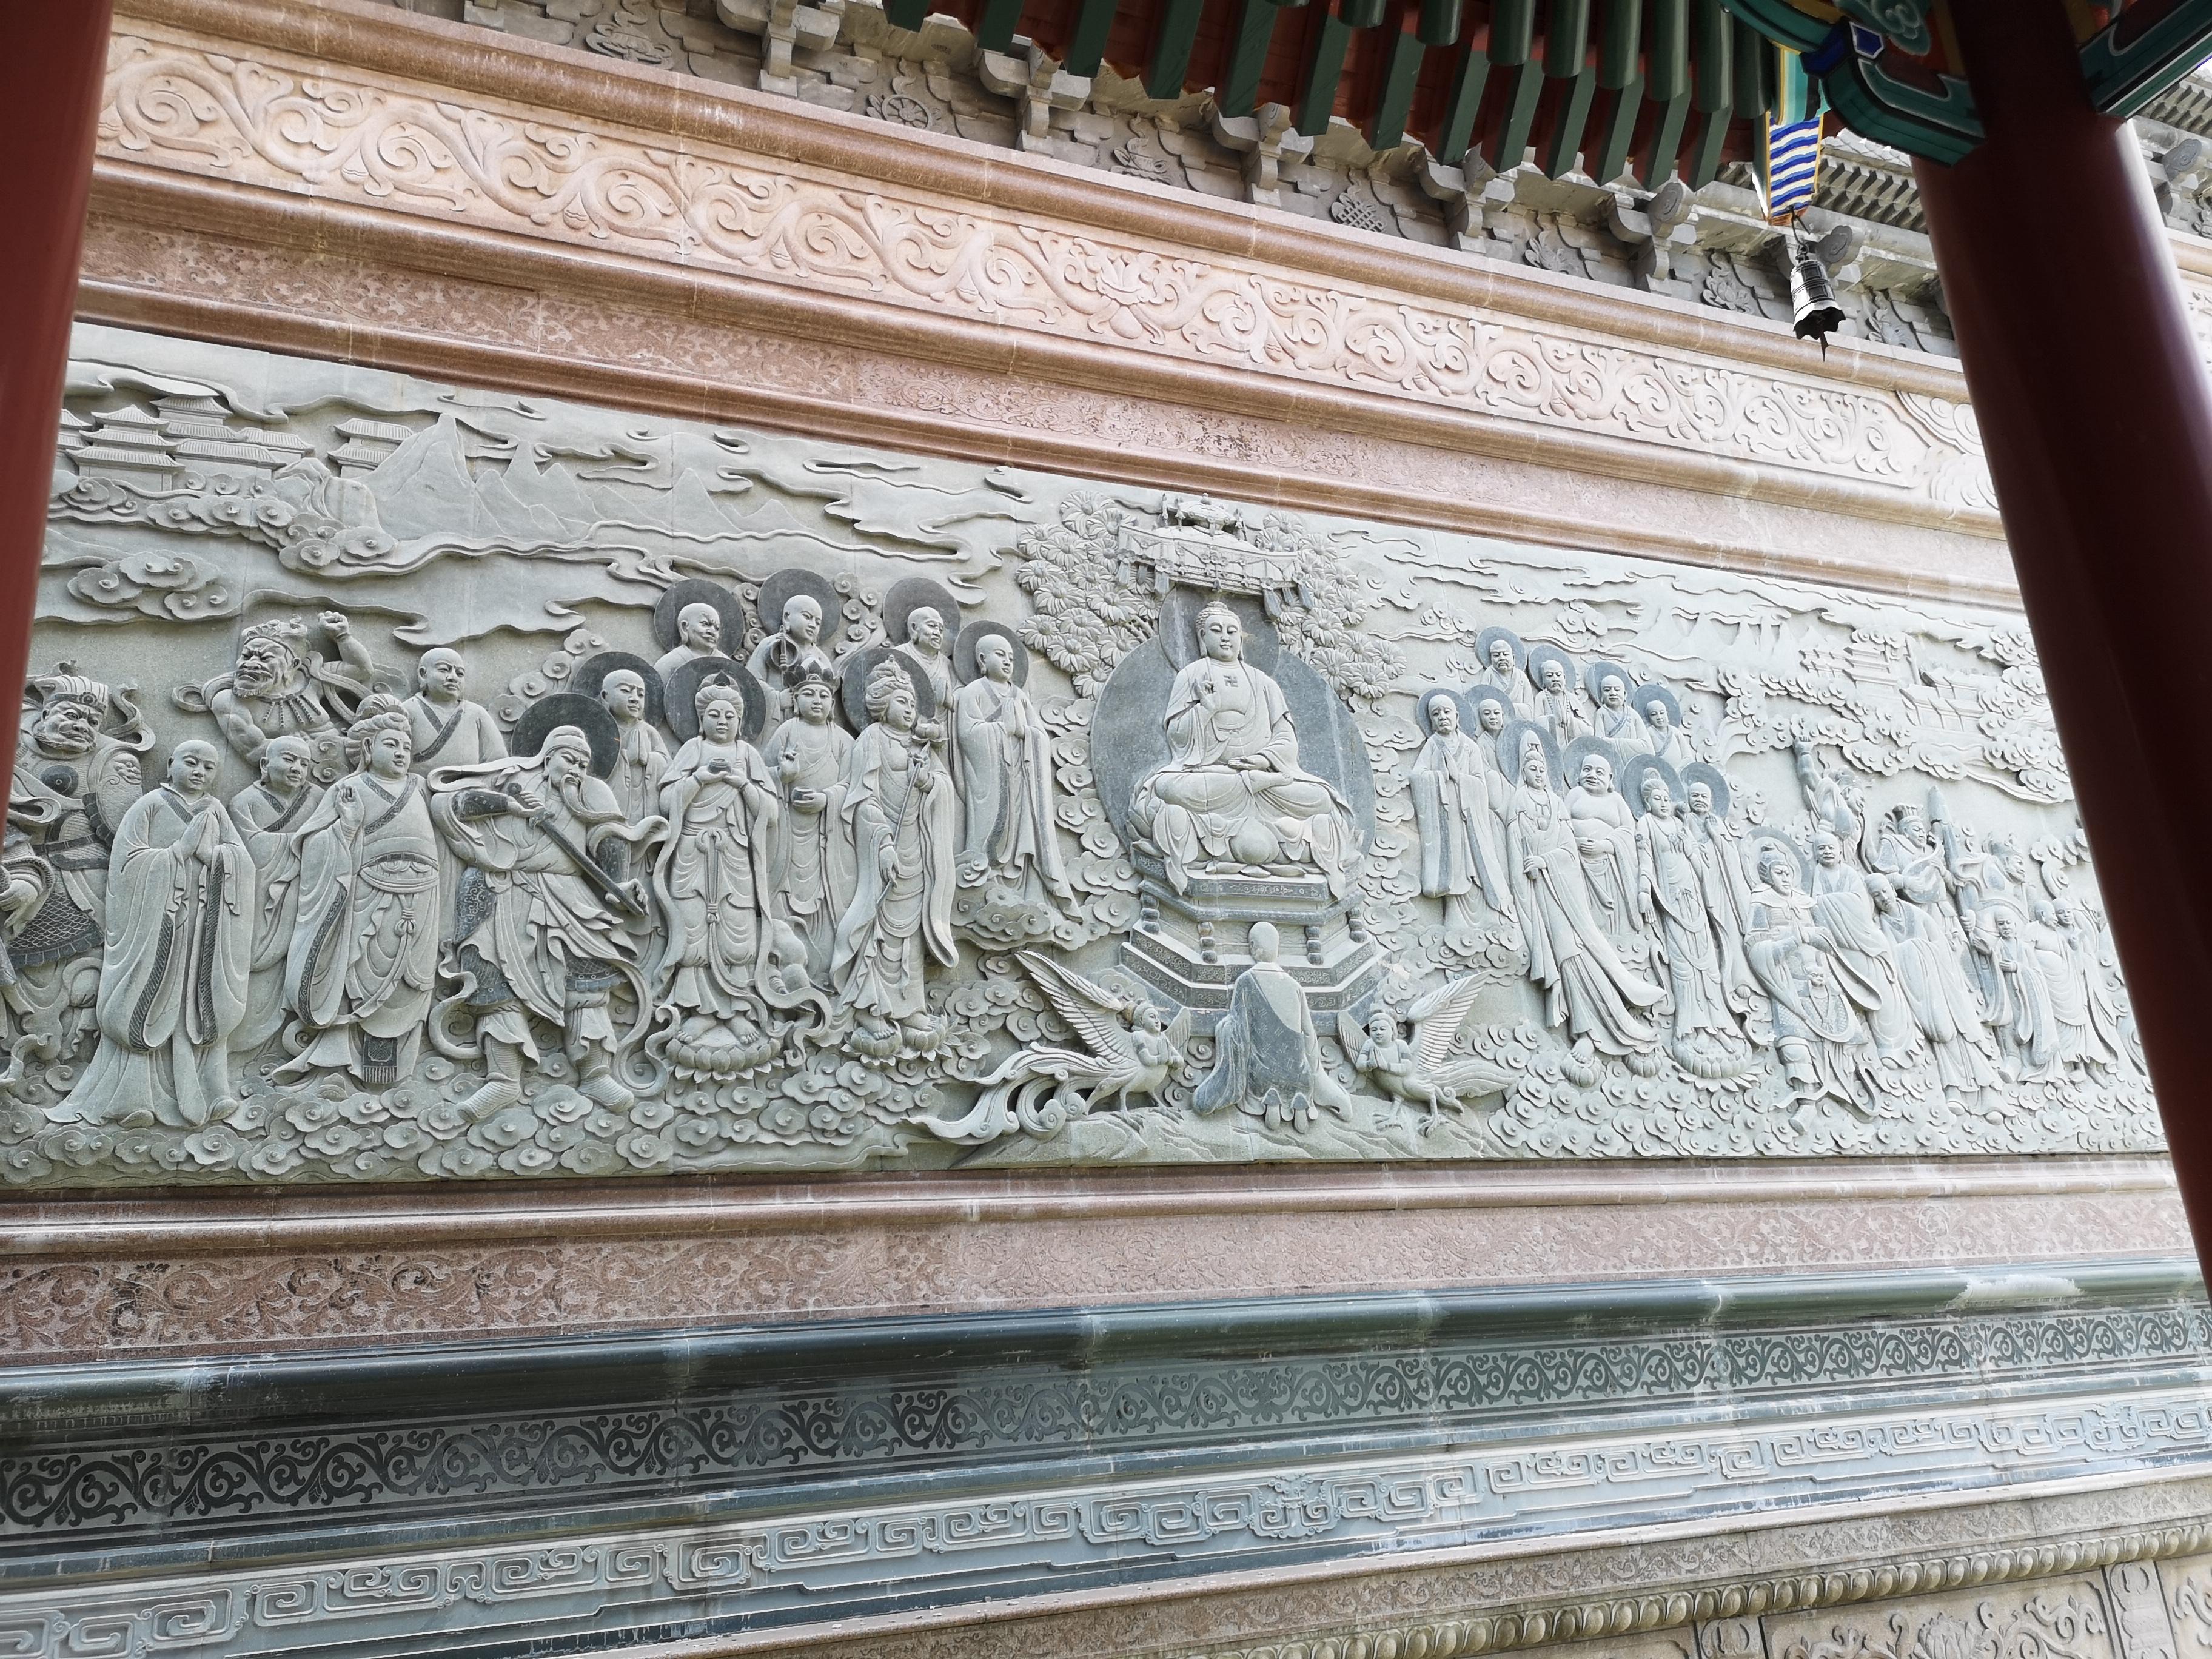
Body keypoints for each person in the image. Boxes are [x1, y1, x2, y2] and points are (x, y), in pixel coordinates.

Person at [431, 727, 658, 1119]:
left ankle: (596, 1073)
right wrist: (508, 805)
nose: (577, 770)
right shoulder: (514, 779)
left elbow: (610, 838)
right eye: (570, 759)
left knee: (587, 977)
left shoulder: (592, 793)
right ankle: (503, 1079)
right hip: (502, 886)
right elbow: (449, 803)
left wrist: (619, 885)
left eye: (584, 764)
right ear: (547, 756)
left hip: (567, 892)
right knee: (491, 980)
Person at [52, 742, 253, 1130]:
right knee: (153, 1003)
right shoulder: (150, 805)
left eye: (209, 767)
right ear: (170, 764)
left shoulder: (215, 810)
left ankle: (209, 1091)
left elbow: (241, 863)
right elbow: (126, 864)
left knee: (194, 1005)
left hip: (201, 930)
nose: (199, 772)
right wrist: (176, 852)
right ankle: (132, 1098)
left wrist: (214, 857)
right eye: (191, 763)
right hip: (157, 928)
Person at [1128, 601, 1358, 899]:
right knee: (1168, 788)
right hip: (1214, 774)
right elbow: (1178, 737)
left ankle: (1249, 798)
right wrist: (1206, 709)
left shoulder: (1264, 683)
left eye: (1232, 631)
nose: (1225, 637)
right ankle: (1258, 799)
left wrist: (1263, 759)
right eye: (1216, 631)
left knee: (1321, 798)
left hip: (1265, 780)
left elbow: (1286, 737)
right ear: (1202, 638)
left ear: (1241, 638)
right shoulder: (1192, 675)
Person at [278, 700, 442, 1086]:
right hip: (369, 892)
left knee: (410, 976)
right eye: (391, 744)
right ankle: (338, 1060)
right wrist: (347, 828)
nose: (401, 753)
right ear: (368, 748)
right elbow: (313, 844)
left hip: (423, 893)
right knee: (359, 969)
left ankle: (390, 1070)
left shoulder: (420, 788)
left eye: (406, 746)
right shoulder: (349, 788)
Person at [652, 683, 783, 1076]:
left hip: (735, 855)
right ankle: (700, 1012)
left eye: (730, 716)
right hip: (692, 853)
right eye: (714, 715)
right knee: (693, 931)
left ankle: (738, 1010)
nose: (722, 722)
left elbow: (771, 813)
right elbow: (667, 801)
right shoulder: (692, 751)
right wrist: (700, 779)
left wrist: (742, 783)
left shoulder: (747, 755)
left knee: (737, 932)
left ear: (740, 721)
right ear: (700, 719)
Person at [1504, 736, 1663, 1055]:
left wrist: (1548, 859)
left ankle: (1602, 1021)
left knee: (1582, 946)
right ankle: (1588, 1027)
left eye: (1542, 768)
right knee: (1567, 953)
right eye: (1531, 769)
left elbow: (1568, 849)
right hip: (1543, 893)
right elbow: (1517, 848)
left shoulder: (1558, 804)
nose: (1538, 773)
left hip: (1572, 885)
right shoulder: (1524, 804)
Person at [831, 661, 958, 1054]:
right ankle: (870, 1006)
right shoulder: (872, 739)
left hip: (917, 847)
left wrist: (928, 782)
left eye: (912, 703)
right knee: (878, 927)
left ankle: (909, 1007)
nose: (909, 709)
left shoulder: (919, 746)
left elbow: (943, 788)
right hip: (881, 846)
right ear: (881, 706)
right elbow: (863, 798)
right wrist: (883, 844)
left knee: (911, 934)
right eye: (902, 702)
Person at [1744, 845, 1885, 1114]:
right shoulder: (1762, 903)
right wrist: (1792, 940)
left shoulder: (1806, 902)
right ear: (1767, 875)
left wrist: (1814, 941)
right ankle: (1807, 1101)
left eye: (1788, 872)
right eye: (1778, 873)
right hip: (1790, 983)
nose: (1785, 878)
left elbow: (1828, 938)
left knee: (1842, 1037)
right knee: (1794, 1041)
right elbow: (1755, 945)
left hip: (1823, 978)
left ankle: (1850, 1087)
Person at [951, 632, 1072, 909]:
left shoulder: (1020, 696)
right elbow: (967, 735)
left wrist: (1025, 734)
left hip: (1023, 774)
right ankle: (986, 881)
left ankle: (1025, 886)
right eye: (1000, 655)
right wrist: (1000, 729)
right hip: (991, 779)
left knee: (1022, 830)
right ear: (982, 660)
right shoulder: (974, 692)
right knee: (993, 832)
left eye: (1011, 657)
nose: (1007, 662)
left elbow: (1040, 735)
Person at [1191, 920, 1352, 1128]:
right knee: (1298, 1089)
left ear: (1252, 947)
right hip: (1298, 1074)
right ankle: (1299, 1100)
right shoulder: (1295, 986)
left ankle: (1269, 1100)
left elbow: (1239, 1031)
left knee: (1252, 1068)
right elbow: (1309, 1034)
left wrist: (1223, 1029)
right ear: (1278, 949)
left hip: (1262, 1073)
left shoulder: (1246, 981)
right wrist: (1315, 1072)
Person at [228, 734, 323, 1056]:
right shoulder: (244, 802)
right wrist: (303, 842)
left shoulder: (318, 798)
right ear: (265, 765)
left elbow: (333, 840)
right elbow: (249, 849)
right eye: (289, 760)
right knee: (253, 962)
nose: (297, 768)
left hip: (305, 898)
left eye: (304, 763)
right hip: (260, 899)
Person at [763, 662, 856, 983]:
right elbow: (761, 777)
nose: (817, 701)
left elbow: (855, 786)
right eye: (809, 694)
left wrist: (827, 799)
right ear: (795, 699)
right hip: (787, 831)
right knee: (783, 893)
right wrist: (782, 776)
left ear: (833, 704)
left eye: (824, 696)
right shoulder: (786, 732)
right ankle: (784, 964)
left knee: (828, 900)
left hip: (828, 836)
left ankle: (824, 970)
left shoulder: (843, 740)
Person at [1870, 874, 2000, 1098]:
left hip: (1943, 982)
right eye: (1876, 896)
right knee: (1942, 1034)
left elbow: (1940, 944)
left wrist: (1918, 950)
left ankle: (1989, 1092)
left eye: (1884, 891)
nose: (1883, 898)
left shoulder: (1917, 915)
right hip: (1921, 989)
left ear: (1892, 889)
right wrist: (1913, 955)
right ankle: (1954, 1090)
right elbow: (1891, 957)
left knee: (1961, 1031)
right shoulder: (1883, 926)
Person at [1633, 773, 1735, 1050]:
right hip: (1672, 902)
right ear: (1647, 803)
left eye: (1667, 798)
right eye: (1657, 799)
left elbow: (1699, 865)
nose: (1664, 803)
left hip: (1694, 900)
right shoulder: (1646, 824)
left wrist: (1690, 847)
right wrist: (1644, 892)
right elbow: (1645, 861)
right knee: (1683, 964)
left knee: (1707, 961)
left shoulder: (1680, 824)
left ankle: (1718, 1025)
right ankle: (1693, 1026)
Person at [1409, 692, 1511, 933]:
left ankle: (1485, 916)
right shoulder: (1433, 745)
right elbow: (1417, 776)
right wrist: (1440, 776)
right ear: (1431, 721)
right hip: (1446, 818)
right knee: (1454, 865)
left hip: (1470, 816)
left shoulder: (1470, 747)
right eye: (1436, 714)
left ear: (1457, 716)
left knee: (1474, 862)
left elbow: (1481, 784)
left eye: (1447, 712)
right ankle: (1455, 918)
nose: (1442, 717)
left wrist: (1460, 779)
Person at [402, 648, 504, 773]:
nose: (453, 678)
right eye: (444, 670)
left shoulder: (476, 713)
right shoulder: (408, 710)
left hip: (469, 783)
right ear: (423, 674)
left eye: (460, 674)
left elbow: (499, 761)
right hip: (419, 783)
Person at [600, 669, 670, 823]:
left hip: (645, 803)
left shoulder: (649, 731)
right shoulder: (602, 730)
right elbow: (595, 768)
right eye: (626, 691)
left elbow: (667, 766)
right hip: (613, 802)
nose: (635, 699)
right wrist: (626, 758)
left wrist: (650, 759)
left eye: (641, 694)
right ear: (605, 696)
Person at [746, 594, 834, 717]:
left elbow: (830, 694)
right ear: (787, 618)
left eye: (818, 622)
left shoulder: (821, 658)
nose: (813, 625)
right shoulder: (771, 645)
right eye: (807, 617)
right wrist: (778, 699)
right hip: (777, 718)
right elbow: (750, 682)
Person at [654, 601, 725, 682]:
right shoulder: (669, 663)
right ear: (684, 627)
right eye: (705, 624)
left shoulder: (725, 662)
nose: (712, 632)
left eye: (717, 628)